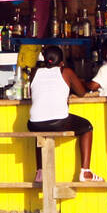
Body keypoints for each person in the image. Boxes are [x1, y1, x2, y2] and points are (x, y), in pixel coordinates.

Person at [27, 45, 95, 182]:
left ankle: (40, 172)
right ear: (62, 62)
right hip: (59, 121)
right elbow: (82, 93)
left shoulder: (34, 72)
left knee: (39, 131)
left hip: (34, 124)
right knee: (87, 127)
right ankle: (86, 172)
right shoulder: (66, 71)